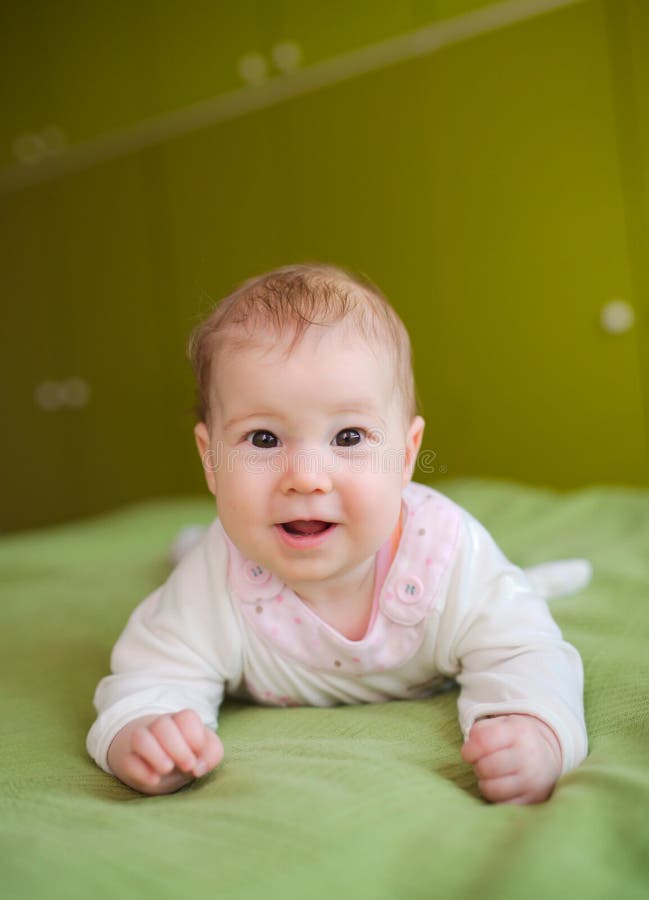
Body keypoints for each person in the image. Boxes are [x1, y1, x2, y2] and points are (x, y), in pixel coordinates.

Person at [87, 263, 589, 802]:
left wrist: (535, 731)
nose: (305, 477)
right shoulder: (216, 576)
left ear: (405, 455)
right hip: (214, 558)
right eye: (262, 439)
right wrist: (146, 732)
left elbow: (524, 653)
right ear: (211, 460)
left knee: (512, 609)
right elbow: (153, 672)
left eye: (349, 436)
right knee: (195, 554)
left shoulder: (448, 555)